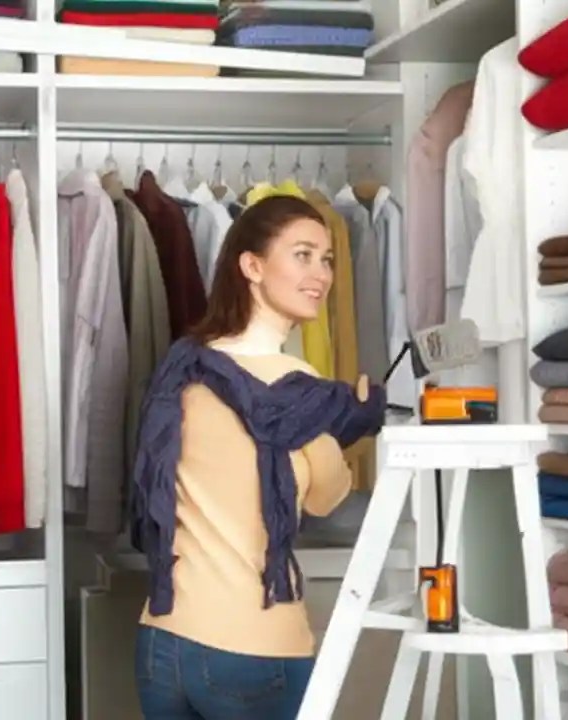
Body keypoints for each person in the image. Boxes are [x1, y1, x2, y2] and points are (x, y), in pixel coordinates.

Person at [130, 195, 385, 719]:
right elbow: (324, 497)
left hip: (163, 638)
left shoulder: (183, 367)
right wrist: (348, 421)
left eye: (327, 259)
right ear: (252, 265)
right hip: (255, 648)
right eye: (303, 254)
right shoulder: (301, 390)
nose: (321, 273)